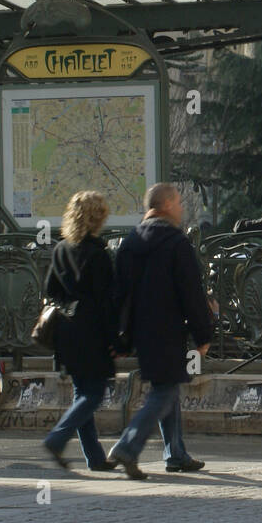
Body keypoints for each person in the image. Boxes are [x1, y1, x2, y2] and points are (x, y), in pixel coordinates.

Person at [107, 183, 215, 479]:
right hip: (168, 328)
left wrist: (123, 336)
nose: (181, 208)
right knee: (164, 391)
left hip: (141, 330)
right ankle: (128, 446)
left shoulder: (129, 242)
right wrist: (203, 334)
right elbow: (190, 293)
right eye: (178, 202)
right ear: (166, 205)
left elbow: (120, 294)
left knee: (166, 387)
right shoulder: (175, 243)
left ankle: (176, 453)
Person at [41, 190, 119, 472]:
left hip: (66, 330)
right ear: (97, 218)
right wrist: (115, 339)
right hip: (92, 332)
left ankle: (95, 458)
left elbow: (50, 290)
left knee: (81, 392)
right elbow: (107, 302)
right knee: (94, 394)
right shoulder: (98, 254)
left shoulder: (61, 249)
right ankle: (57, 437)